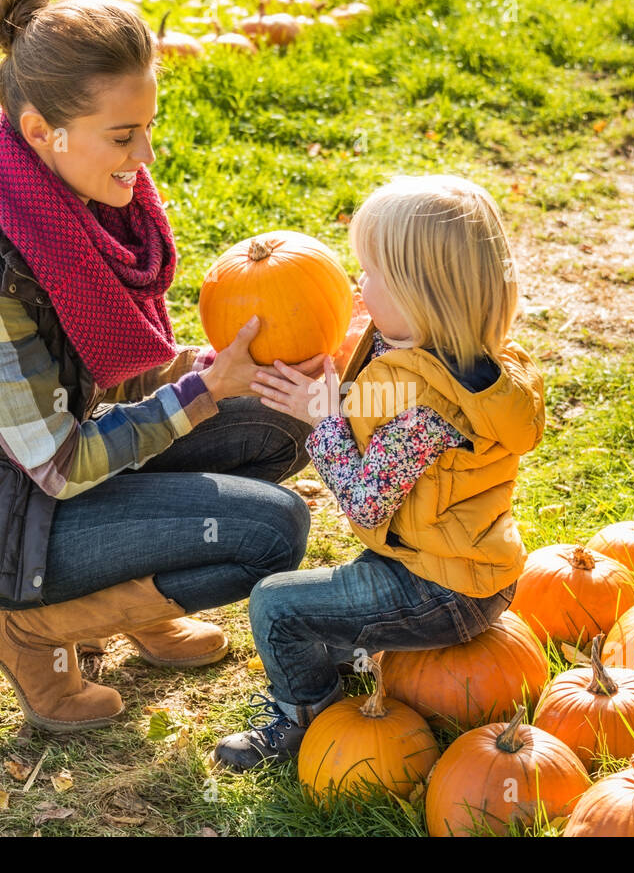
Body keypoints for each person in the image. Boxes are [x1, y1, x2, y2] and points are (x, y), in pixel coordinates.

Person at [0, 0, 324, 733]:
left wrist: (224, 372)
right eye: (122, 135)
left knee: (280, 421)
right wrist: (202, 394)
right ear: (42, 129)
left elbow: (115, 368)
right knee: (272, 530)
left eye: (146, 127)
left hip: (52, 462)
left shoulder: (70, 198)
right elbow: (59, 462)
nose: (143, 155)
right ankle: (28, 629)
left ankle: (129, 600)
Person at [213, 175, 547, 768]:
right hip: (442, 559)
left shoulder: (429, 409)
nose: (357, 286)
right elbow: (376, 397)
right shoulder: (450, 354)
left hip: (441, 589)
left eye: (370, 275)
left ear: (420, 294)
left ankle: (303, 718)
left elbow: (367, 502)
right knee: (332, 601)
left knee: (275, 605)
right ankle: (357, 651)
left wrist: (321, 422)